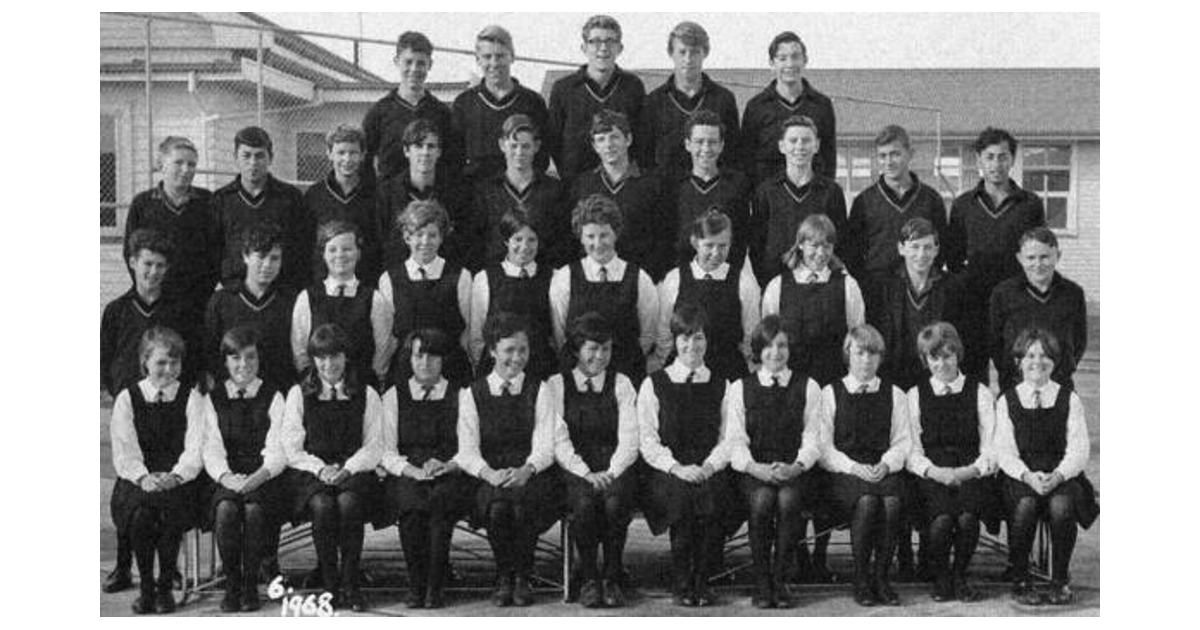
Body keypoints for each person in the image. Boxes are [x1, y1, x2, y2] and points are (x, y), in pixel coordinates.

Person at [101, 229, 194, 594]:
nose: (153, 272)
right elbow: (105, 358)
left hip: (168, 412)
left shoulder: (178, 309)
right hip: (131, 407)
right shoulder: (116, 311)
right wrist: (120, 395)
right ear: (132, 263)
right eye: (147, 264)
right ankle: (124, 567)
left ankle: (167, 569)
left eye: (160, 265)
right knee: (130, 488)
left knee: (167, 491)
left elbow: (191, 354)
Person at [455, 312, 561, 607]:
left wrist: (528, 468)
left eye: (523, 350)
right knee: (499, 506)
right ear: (492, 351)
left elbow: (546, 442)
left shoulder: (540, 389)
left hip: (531, 473)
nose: (517, 357)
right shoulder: (472, 394)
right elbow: (467, 449)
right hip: (489, 474)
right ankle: (504, 576)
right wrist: (488, 473)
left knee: (523, 503)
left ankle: (523, 577)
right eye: (509, 350)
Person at [281, 323, 384, 612]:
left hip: (354, 471)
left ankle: (351, 582)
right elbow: (292, 447)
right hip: (312, 473)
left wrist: (348, 468)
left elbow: (375, 445)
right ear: (313, 359)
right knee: (324, 506)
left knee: (349, 503)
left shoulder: (367, 393)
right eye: (321, 357)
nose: (329, 365)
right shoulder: (299, 394)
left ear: (346, 357)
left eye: (335, 356)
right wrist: (320, 469)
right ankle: (329, 584)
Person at [639, 303, 735, 607]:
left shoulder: (723, 385)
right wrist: (677, 468)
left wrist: (708, 466)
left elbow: (729, 438)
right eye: (685, 338)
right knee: (681, 496)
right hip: (668, 470)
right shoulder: (654, 384)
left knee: (711, 492)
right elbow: (648, 441)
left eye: (699, 338)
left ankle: (702, 579)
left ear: (708, 342)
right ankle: (682, 580)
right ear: (674, 340)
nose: (691, 345)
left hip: (709, 468)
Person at [724, 316, 823, 608]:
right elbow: (735, 439)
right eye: (767, 346)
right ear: (757, 350)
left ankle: (781, 579)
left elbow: (813, 439)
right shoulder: (740, 387)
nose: (775, 352)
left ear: (790, 349)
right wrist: (755, 468)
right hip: (755, 470)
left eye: (781, 345)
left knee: (790, 500)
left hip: (795, 469)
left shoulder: (809, 386)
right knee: (763, 500)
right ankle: (761, 581)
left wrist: (796, 466)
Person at [993, 327, 1096, 606]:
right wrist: (1028, 476)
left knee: (1061, 507)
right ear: (1019, 361)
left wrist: (1059, 475)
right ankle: (1021, 578)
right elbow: (1004, 451)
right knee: (1025, 506)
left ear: (1055, 361)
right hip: (1021, 476)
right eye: (1030, 355)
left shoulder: (1068, 398)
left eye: (1044, 355)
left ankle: (1059, 580)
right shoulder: (1007, 400)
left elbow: (1079, 448)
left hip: (1061, 474)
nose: (1037, 361)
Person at [545, 312, 640, 608]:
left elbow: (629, 437)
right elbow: (558, 439)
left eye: (606, 349)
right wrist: (585, 474)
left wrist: (611, 472)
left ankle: (612, 576)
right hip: (574, 467)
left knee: (614, 502)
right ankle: (588, 577)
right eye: (592, 349)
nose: (600, 356)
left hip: (615, 466)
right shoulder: (556, 385)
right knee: (584, 504)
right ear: (576, 350)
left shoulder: (622, 383)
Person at [109, 327, 205, 614]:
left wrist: (176, 475)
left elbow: (196, 446)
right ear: (145, 362)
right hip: (138, 479)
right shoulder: (128, 398)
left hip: (180, 480)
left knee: (170, 510)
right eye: (161, 362)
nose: (168, 369)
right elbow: (124, 449)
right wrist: (144, 477)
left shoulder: (192, 397)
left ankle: (165, 588)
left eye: (174, 363)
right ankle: (147, 588)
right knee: (140, 515)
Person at [379, 328, 475, 609]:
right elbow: (385, 451)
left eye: (433, 357)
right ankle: (416, 584)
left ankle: (435, 586)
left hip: (449, 472)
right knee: (410, 508)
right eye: (419, 355)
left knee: (440, 504)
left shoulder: (462, 395)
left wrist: (449, 465)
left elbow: (469, 446)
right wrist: (412, 470)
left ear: (444, 360)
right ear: (409, 359)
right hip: (408, 472)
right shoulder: (394, 396)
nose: (425, 363)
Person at [943, 127, 1046, 382]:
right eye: (989, 157)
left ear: (1012, 159)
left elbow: (1038, 255)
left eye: (1002, 157)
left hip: (1015, 305)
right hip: (973, 307)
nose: (996, 164)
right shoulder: (964, 205)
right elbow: (953, 258)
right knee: (971, 380)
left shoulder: (1029, 204)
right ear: (979, 160)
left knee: (1015, 378)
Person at [819, 324, 912, 607]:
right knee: (868, 501)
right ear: (848, 354)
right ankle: (861, 579)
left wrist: (886, 464)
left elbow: (903, 441)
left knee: (893, 502)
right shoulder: (831, 392)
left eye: (873, 354)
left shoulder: (895, 394)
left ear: (881, 358)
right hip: (845, 473)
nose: (866, 360)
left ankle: (881, 578)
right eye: (860, 352)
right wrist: (853, 468)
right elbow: (824, 448)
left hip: (883, 468)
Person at [905, 322, 995, 603]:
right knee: (942, 520)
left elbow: (991, 445)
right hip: (933, 474)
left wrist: (971, 471)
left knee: (967, 519)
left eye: (948, 355)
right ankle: (941, 577)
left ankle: (960, 575)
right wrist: (935, 472)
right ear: (925, 360)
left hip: (971, 471)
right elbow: (911, 450)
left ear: (958, 354)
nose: (942, 364)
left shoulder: (979, 392)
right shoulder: (915, 394)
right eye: (934, 358)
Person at [201, 326, 289, 612]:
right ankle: (232, 583)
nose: (243, 365)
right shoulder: (212, 399)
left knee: (253, 511)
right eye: (235, 358)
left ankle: (251, 583)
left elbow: (279, 448)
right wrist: (227, 477)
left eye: (250, 357)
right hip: (226, 475)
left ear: (259, 359)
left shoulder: (274, 396)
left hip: (264, 476)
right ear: (225, 361)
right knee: (226, 509)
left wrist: (257, 477)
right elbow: (211, 447)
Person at [549, 194, 658, 385]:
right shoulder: (564, 278)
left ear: (616, 233)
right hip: (577, 378)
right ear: (580, 237)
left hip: (626, 374)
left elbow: (647, 334)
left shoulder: (640, 278)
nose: (598, 244)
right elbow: (560, 333)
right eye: (590, 236)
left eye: (604, 235)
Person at [843, 124, 948, 314]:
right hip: (877, 294)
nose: (888, 161)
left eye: (895, 154)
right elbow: (852, 254)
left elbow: (942, 249)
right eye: (882, 156)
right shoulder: (864, 201)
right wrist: (867, 285)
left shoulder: (931, 199)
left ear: (910, 154)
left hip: (921, 293)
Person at [656, 208, 760, 382]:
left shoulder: (744, 282)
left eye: (723, 246)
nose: (716, 253)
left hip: (728, 371)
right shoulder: (674, 279)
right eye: (709, 245)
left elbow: (750, 334)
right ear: (695, 242)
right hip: (684, 370)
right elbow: (664, 331)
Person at [762, 213, 865, 386]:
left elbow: (857, 334)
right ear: (801, 244)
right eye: (814, 245)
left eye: (827, 246)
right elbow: (768, 335)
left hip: (834, 379)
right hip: (790, 380)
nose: (821, 253)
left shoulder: (848, 285)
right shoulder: (777, 285)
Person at [124, 136, 220, 321]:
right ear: (162, 165)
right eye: (178, 163)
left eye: (191, 164)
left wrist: (202, 294)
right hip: (156, 301)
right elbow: (130, 253)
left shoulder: (208, 202)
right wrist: (150, 289)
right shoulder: (143, 204)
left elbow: (216, 252)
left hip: (197, 303)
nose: (186, 170)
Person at [379, 200, 473, 387]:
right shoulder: (389, 279)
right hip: (406, 371)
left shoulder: (460, 276)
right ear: (407, 237)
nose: (425, 242)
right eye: (418, 235)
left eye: (432, 235)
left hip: (450, 370)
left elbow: (469, 329)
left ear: (441, 237)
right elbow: (388, 334)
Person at [569, 109, 670, 281]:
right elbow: (574, 238)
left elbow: (663, 236)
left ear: (628, 139)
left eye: (615, 137)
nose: (608, 145)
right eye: (601, 139)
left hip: (640, 276)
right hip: (593, 277)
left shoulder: (653, 184)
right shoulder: (583, 184)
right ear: (594, 146)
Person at [291, 221, 393, 390]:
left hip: (362, 389)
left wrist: (369, 384)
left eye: (347, 249)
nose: (340, 255)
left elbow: (383, 350)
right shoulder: (307, 298)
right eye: (332, 249)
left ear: (358, 253)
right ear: (323, 254)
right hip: (318, 391)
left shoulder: (374, 299)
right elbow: (300, 350)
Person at [548, 15, 646, 183]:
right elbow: (553, 141)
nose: (603, 47)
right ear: (584, 47)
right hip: (575, 187)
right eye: (595, 41)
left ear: (620, 48)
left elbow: (641, 138)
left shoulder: (633, 87)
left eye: (610, 41)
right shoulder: (564, 89)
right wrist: (568, 176)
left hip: (622, 185)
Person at [640, 21, 741, 183]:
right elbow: (645, 156)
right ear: (671, 53)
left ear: (705, 53)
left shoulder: (723, 99)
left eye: (694, 52)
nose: (688, 59)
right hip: (666, 192)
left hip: (711, 190)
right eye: (682, 52)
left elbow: (733, 153)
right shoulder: (654, 101)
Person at [750, 114, 847, 284]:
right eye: (793, 140)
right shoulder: (766, 192)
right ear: (782, 146)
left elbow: (841, 243)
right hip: (776, 283)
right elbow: (757, 246)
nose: (799, 146)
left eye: (806, 140)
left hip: (821, 283)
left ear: (816, 145)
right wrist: (767, 282)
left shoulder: (832, 192)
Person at [989, 227, 1088, 391]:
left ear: (1058, 256)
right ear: (1020, 258)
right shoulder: (1003, 293)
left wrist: (1059, 370)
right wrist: (1014, 371)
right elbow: (995, 342)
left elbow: (1079, 341)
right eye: (1031, 258)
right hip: (1015, 385)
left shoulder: (1073, 294)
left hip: (1059, 385)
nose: (1038, 264)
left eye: (1044, 257)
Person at [468, 114, 570, 272]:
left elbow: (562, 241)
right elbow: (476, 241)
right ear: (502, 145)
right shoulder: (486, 190)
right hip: (497, 277)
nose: (519, 152)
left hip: (543, 276)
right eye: (514, 145)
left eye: (525, 146)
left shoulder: (554, 190)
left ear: (536, 146)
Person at [203, 223, 298, 393]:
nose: (268, 264)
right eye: (261, 257)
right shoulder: (222, 301)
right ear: (245, 256)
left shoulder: (291, 301)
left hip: (279, 394)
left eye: (275, 258)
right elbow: (210, 353)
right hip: (233, 394)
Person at [213, 126, 310, 291]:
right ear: (235, 158)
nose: (253, 163)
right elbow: (214, 251)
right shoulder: (221, 200)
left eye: (259, 156)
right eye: (246, 156)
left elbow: (302, 248)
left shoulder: (290, 197)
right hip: (236, 291)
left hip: (281, 292)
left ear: (270, 158)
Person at [452, 25, 553, 183]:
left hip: (521, 191)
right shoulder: (464, 104)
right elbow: (455, 158)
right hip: (475, 195)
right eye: (487, 56)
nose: (494, 63)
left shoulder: (532, 102)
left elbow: (542, 157)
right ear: (478, 59)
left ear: (512, 56)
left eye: (500, 56)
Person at [875, 218, 965, 392]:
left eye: (927, 247)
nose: (921, 254)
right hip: (894, 377)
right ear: (901, 248)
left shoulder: (953, 288)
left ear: (936, 250)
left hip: (937, 377)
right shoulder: (884, 287)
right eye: (915, 247)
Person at [470, 208, 557, 382]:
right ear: (506, 241)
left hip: (541, 368)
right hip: (498, 369)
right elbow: (477, 335)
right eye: (518, 239)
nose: (524, 247)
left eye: (531, 240)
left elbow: (557, 331)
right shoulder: (485, 278)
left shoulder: (554, 276)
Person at [361, 30, 459, 185]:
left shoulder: (442, 113)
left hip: (429, 201)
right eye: (408, 62)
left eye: (421, 63)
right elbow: (364, 162)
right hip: (391, 203)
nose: (414, 69)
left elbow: (452, 163)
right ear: (396, 61)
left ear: (430, 65)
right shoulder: (379, 112)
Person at [739, 31, 836, 186]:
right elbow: (746, 160)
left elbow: (829, 158)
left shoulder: (822, 105)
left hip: (812, 198)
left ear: (805, 60)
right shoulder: (756, 107)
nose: (789, 64)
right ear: (772, 63)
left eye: (795, 57)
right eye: (782, 58)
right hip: (767, 201)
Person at [376, 119, 471, 272]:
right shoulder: (387, 193)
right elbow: (382, 241)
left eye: (431, 146)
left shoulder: (457, 192)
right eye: (418, 146)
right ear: (406, 151)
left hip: (444, 277)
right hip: (399, 277)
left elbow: (463, 242)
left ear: (439, 152)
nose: (425, 152)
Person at [670, 109, 753, 269]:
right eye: (699, 142)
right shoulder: (675, 186)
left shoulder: (737, 185)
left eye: (712, 142)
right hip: (682, 274)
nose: (706, 148)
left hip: (724, 274)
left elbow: (741, 237)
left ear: (721, 145)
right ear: (688, 144)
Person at [303, 126, 382, 286]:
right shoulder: (314, 195)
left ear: (362, 155)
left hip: (365, 282)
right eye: (341, 152)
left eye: (353, 153)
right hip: (324, 282)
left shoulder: (377, 193)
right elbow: (306, 243)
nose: (347, 159)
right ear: (329, 154)